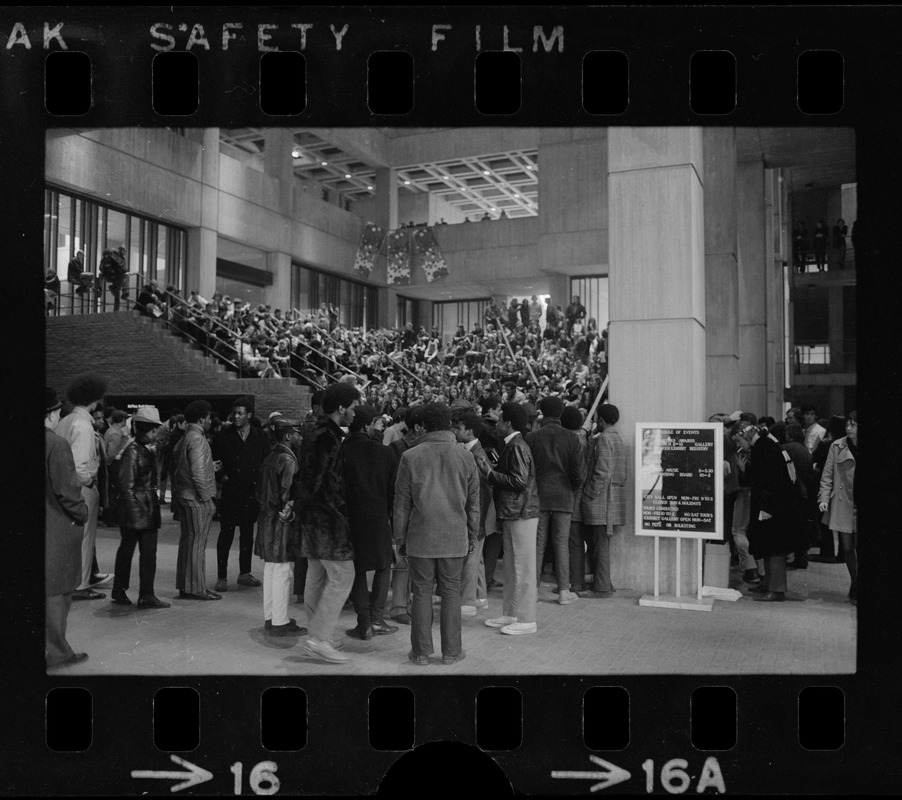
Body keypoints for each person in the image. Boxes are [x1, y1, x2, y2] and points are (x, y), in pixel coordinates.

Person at [394, 403, 480, 665]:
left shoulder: (410, 456)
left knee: (420, 592)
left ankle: (420, 652)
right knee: (452, 592)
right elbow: (474, 504)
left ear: (423, 425)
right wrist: (472, 535)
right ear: (450, 425)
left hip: (420, 538)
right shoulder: (466, 457)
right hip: (454, 537)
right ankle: (452, 652)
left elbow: (401, 506)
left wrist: (400, 539)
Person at [296, 382, 361, 663]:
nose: (356, 414)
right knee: (343, 575)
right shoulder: (327, 436)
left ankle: (316, 634)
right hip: (326, 520)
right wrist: (328, 512)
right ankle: (319, 639)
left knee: (317, 574)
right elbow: (314, 480)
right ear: (341, 408)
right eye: (354, 408)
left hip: (314, 519)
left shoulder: (318, 431)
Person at [476, 402, 540, 635]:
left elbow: (519, 481)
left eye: (500, 420)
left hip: (521, 512)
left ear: (509, 422)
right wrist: (491, 469)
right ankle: (512, 613)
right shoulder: (513, 445)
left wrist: (490, 473)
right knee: (514, 568)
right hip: (516, 512)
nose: (497, 424)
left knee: (522, 568)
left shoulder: (516, 447)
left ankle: (526, 618)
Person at [732, 420, 807, 602]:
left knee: (774, 547)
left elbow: (771, 481)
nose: (738, 445)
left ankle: (777, 588)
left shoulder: (764, 447)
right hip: (772, 504)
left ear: (745, 434)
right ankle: (768, 583)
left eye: (738, 440)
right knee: (766, 546)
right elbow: (761, 477)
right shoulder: (765, 444)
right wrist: (745, 469)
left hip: (772, 506)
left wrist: (766, 508)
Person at [342, 405, 399, 640]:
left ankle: (363, 623)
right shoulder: (385, 453)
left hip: (350, 519)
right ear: (366, 425)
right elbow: (393, 492)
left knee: (356, 569)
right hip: (378, 518)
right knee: (384, 565)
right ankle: (377, 618)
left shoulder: (341, 451)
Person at [45, 388, 90, 668]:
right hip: (55, 530)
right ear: (50, 414)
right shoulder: (55, 443)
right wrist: (83, 512)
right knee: (56, 595)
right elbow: (67, 491)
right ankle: (58, 652)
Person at [54, 373, 109, 602]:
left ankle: (69, 582)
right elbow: (80, 467)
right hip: (81, 489)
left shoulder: (65, 420)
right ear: (95, 399)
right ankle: (81, 584)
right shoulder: (84, 426)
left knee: (68, 539)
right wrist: (89, 482)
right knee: (85, 539)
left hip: (61, 488)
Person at [525, 395, 584, 605]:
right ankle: (564, 592)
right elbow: (578, 472)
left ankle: (532, 590)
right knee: (561, 543)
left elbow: (527, 470)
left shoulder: (532, 437)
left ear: (542, 411)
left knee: (538, 543)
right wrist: (572, 487)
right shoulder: (571, 438)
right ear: (561, 414)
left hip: (538, 494)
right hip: (563, 494)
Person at [111, 406, 170, 609]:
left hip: (142, 510)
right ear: (151, 429)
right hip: (139, 511)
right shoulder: (134, 451)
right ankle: (134, 592)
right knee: (134, 553)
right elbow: (126, 486)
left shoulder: (138, 450)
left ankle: (140, 593)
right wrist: (137, 515)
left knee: (141, 553)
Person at [212, 397, 270, 592]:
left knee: (247, 534)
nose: (236, 416)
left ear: (249, 415)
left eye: (240, 413)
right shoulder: (223, 435)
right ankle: (222, 576)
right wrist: (223, 477)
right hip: (231, 492)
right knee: (226, 534)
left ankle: (244, 573)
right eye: (234, 413)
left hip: (250, 493)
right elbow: (215, 461)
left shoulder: (260, 436)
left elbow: (265, 460)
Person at [255, 418, 306, 636]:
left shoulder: (270, 457)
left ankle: (271, 617)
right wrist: (292, 511)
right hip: (281, 522)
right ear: (288, 436)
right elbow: (287, 494)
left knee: (271, 569)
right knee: (283, 570)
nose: (300, 437)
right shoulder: (288, 460)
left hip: (266, 519)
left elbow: (260, 492)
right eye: (297, 433)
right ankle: (280, 621)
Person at [172, 399, 220, 600]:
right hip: (196, 498)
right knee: (197, 544)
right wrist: (208, 498)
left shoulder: (185, 437)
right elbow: (198, 473)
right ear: (202, 418)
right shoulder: (198, 439)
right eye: (208, 418)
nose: (210, 421)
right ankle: (197, 588)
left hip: (184, 495)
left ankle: (187, 585)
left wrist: (210, 467)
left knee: (188, 542)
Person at [578, 404, 626, 598]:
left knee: (599, 546)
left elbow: (602, 473)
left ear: (603, 420)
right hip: (612, 500)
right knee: (600, 544)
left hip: (601, 501)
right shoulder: (617, 438)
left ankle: (602, 587)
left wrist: (588, 493)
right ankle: (604, 583)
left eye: (597, 418)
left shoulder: (605, 439)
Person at [454, 413, 496, 616]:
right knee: (476, 557)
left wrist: (475, 521)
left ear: (469, 431)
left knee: (470, 557)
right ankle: (480, 597)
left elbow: (482, 492)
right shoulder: (474, 452)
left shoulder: (476, 455)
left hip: (477, 515)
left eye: (459, 427)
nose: (456, 431)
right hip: (479, 515)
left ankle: (467, 601)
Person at [818, 411, 858, 604]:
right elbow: (827, 475)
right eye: (848, 424)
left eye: (853, 425)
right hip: (844, 502)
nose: (849, 428)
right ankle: (855, 581)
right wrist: (823, 498)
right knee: (848, 548)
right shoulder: (837, 446)